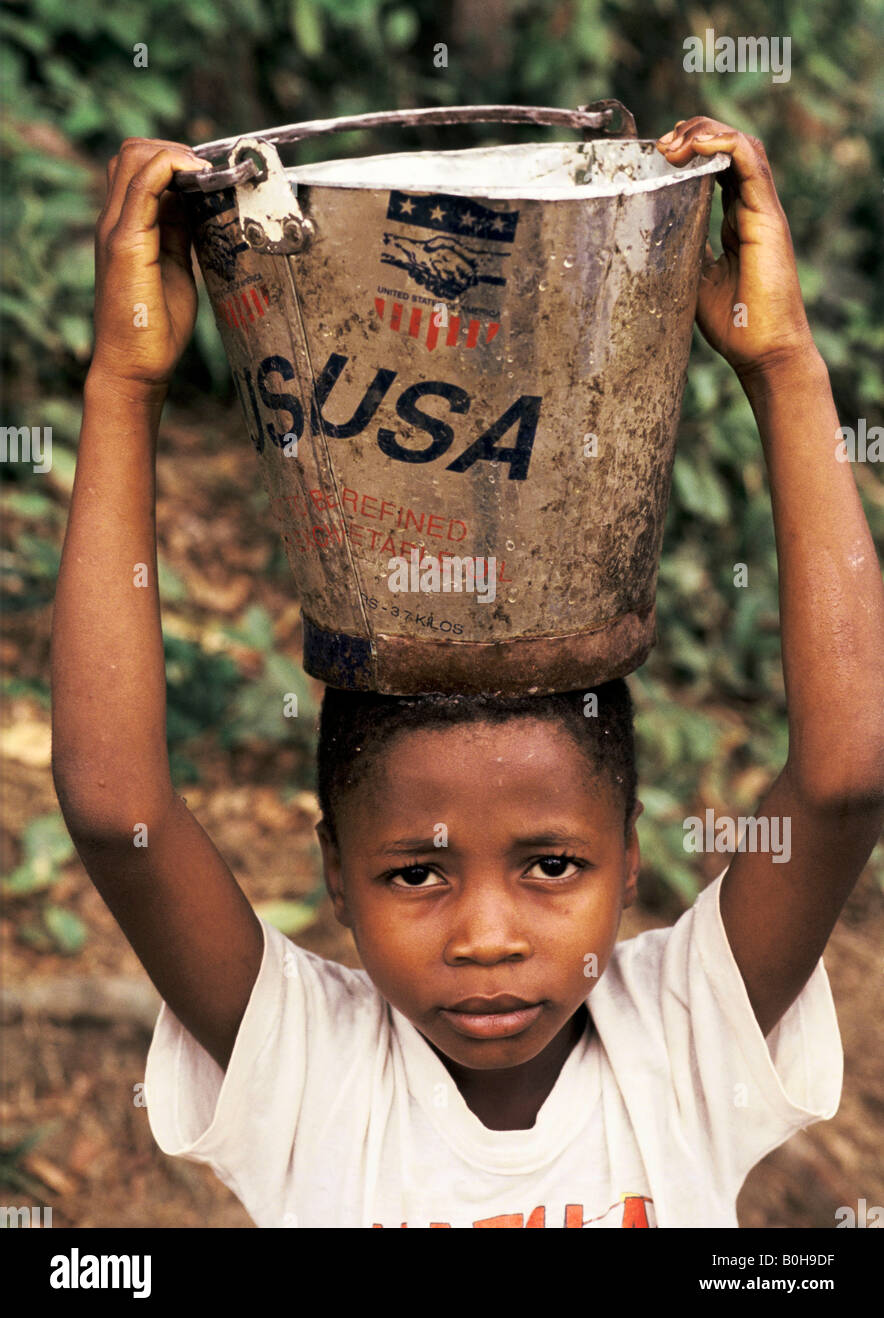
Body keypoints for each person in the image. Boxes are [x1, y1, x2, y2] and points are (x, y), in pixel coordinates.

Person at [50, 118, 884, 1228]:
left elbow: (845, 780)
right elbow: (117, 815)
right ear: (333, 876)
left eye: (550, 864)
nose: (486, 934)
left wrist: (782, 363)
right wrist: (122, 384)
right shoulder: (308, 1071)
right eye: (413, 874)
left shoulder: (683, 1040)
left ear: (630, 857)